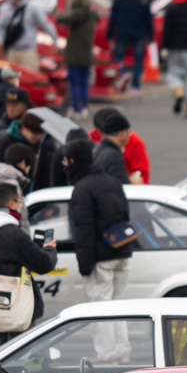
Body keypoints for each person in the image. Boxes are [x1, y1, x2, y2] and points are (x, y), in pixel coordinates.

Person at [64, 139, 132, 347]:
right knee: (118, 305)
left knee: (98, 308)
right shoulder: (112, 181)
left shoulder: (82, 189)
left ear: (74, 161)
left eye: (66, 161)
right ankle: (123, 351)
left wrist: (84, 265)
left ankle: (107, 355)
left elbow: (83, 230)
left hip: (100, 257)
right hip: (122, 251)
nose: (65, 165)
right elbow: (125, 215)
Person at [0, 181, 58, 350]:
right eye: (20, 202)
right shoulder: (15, 234)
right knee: (18, 353)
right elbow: (43, 264)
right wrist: (50, 250)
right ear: (11, 204)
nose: (21, 207)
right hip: (17, 305)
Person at [109, 0, 154, 91]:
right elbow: (148, 20)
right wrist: (150, 35)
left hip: (122, 32)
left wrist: (109, 33)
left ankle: (123, 73)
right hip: (138, 34)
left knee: (118, 56)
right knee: (138, 60)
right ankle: (135, 85)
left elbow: (112, 18)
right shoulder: (142, 0)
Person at [0, 0, 47, 71]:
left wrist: (55, 41)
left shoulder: (32, 7)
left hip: (28, 52)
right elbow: (1, 26)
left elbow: (45, 24)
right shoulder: (6, 8)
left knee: (29, 79)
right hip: (12, 51)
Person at [60, 0, 96, 117]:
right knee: (84, 83)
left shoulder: (78, 15)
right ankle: (85, 107)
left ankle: (76, 108)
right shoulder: (91, 16)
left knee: (75, 83)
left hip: (75, 56)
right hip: (87, 55)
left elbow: (59, 17)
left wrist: (63, 11)